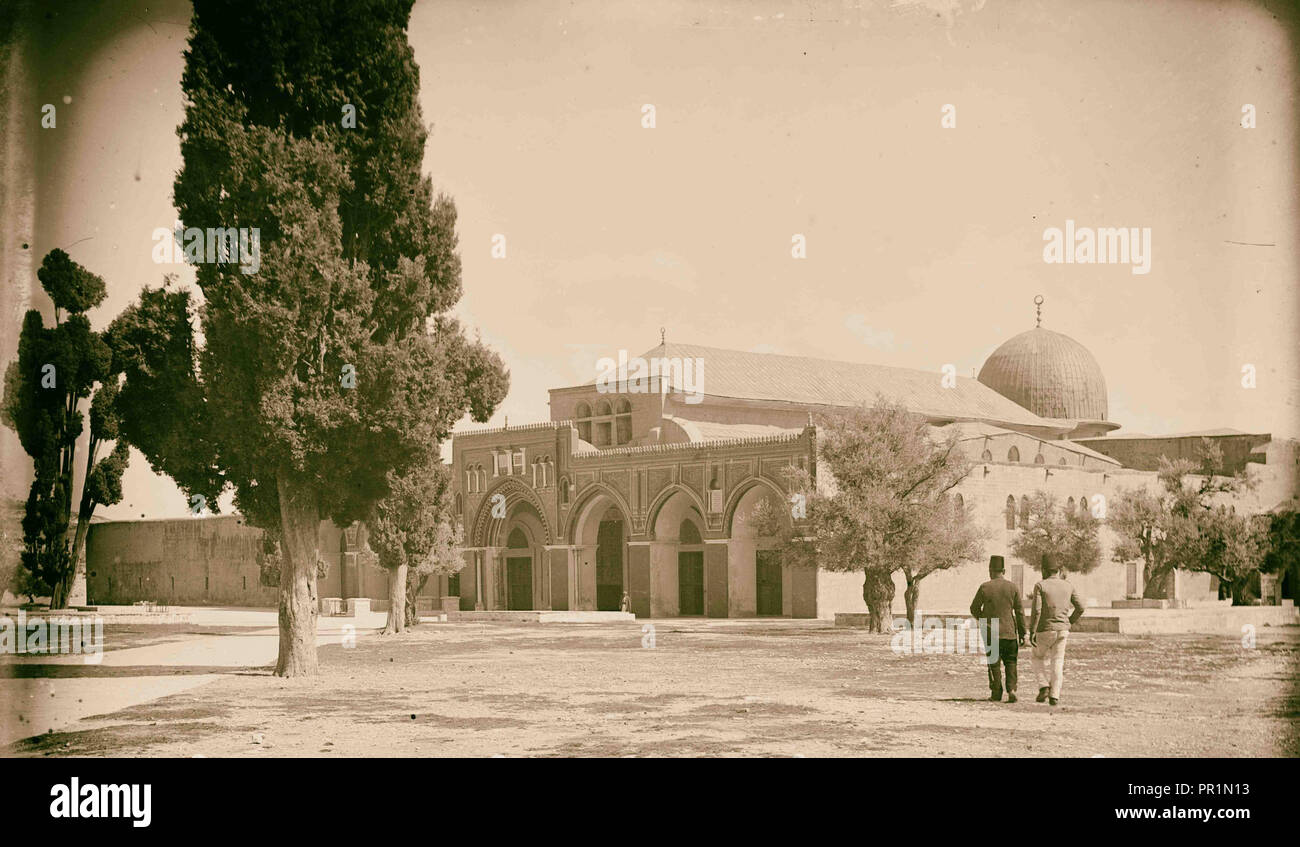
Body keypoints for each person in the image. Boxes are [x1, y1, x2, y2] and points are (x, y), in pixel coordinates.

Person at [1029, 555, 1086, 705]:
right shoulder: (1068, 585)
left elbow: (1037, 610)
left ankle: (1043, 686)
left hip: (1044, 629)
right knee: (1058, 661)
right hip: (1062, 630)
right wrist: (1069, 622)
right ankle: (1055, 695)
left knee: (1037, 657)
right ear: (1058, 570)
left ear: (1043, 570)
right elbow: (1081, 607)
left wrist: (1032, 631)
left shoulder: (1040, 585)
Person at [968, 555, 1026, 702]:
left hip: (991, 631)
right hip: (1010, 632)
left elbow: (974, 608)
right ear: (1004, 570)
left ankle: (996, 692)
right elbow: (1019, 611)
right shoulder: (1013, 587)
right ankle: (1012, 689)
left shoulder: (985, 587)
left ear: (990, 570)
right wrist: (1023, 632)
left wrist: (984, 620)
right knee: (1011, 662)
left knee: (993, 663)